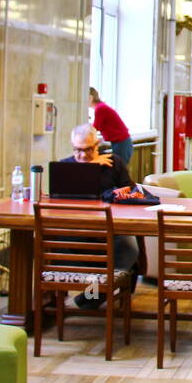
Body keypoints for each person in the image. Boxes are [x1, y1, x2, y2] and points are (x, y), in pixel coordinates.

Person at [60, 125, 140, 308]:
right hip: (76, 229)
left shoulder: (114, 163)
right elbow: (61, 197)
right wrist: (91, 167)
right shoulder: (65, 166)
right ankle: (90, 295)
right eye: (77, 150)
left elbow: (131, 190)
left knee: (129, 249)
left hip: (113, 226)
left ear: (97, 145)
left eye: (88, 150)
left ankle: (92, 295)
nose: (82, 155)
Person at [89, 87, 133, 170]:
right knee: (118, 169)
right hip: (121, 142)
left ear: (90, 98)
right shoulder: (101, 107)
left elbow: (95, 128)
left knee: (119, 170)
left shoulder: (100, 108)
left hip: (121, 143)